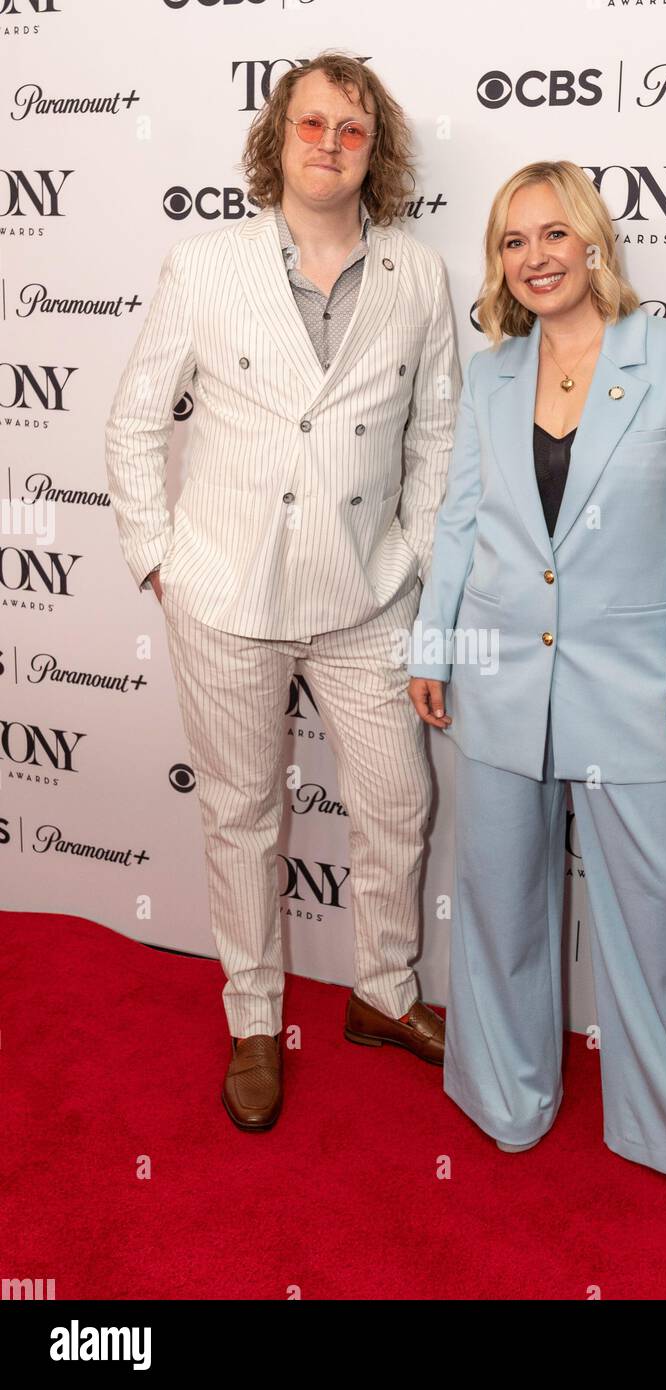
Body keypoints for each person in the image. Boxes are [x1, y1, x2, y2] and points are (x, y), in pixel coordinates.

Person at [105, 51, 460, 1131]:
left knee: (398, 800)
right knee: (241, 814)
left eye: (352, 132)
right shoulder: (204, 266)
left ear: (374, 152)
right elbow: (133, 420)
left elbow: (439, 432)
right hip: (226, 597)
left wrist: (411, 557)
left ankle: (382, 992)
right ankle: (255, 1018)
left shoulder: (421, 276)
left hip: (365, 598)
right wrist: (160, 559)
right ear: (279, 138)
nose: (330, 146)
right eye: (313, 125)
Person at [407, 161, 666, 1209]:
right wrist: (435, 645)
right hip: (501, 674)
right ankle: (506, 1096)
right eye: (514, 242)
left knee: (665, 915)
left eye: (554, 233)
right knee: (500, 902)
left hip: (636, 683)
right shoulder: (494, 373)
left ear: (596, 240)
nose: (536, 257)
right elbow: (462, 523)